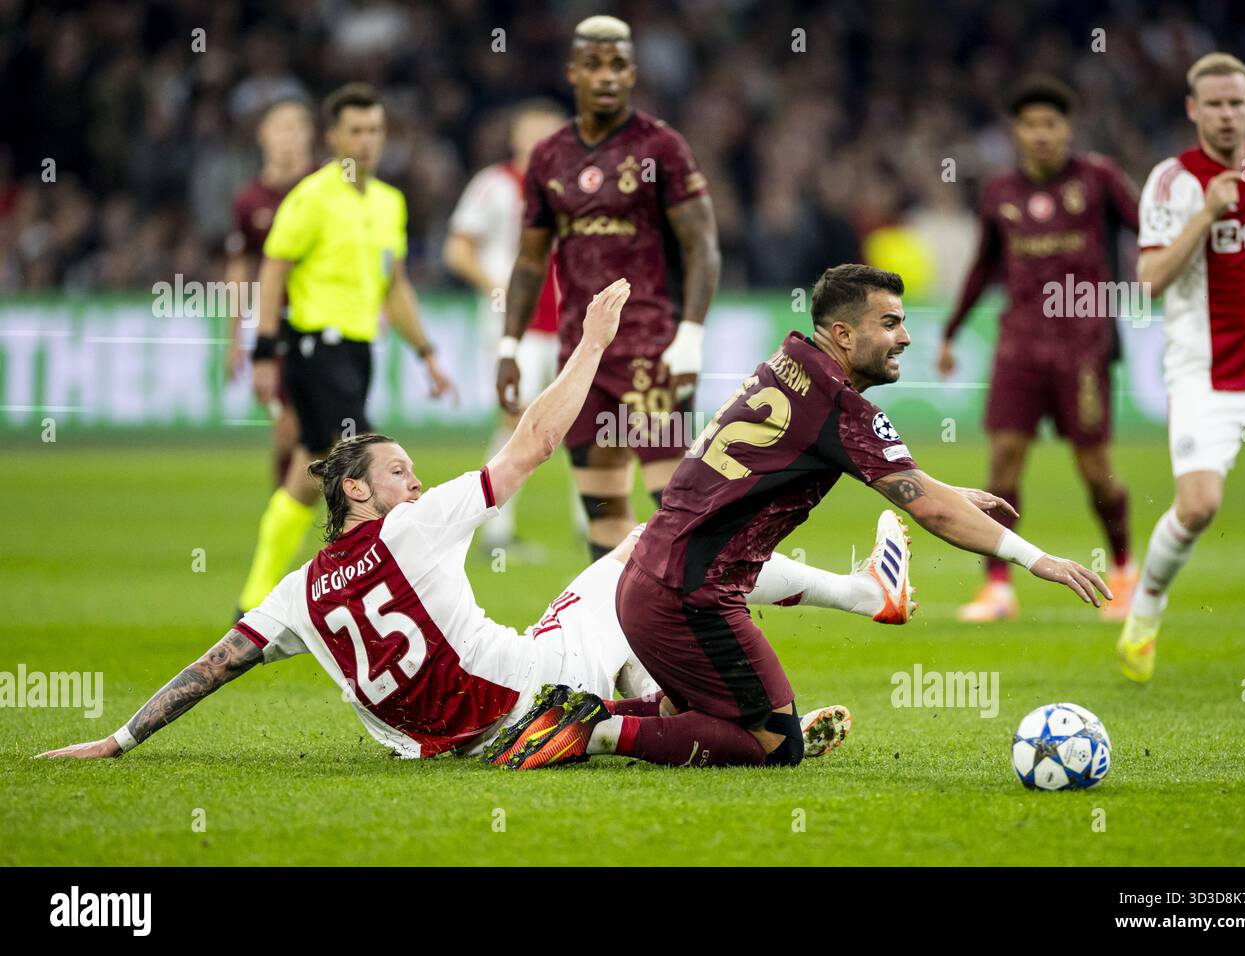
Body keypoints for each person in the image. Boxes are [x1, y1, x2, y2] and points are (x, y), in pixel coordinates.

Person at [37, 280, 893, 764]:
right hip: (533, 690)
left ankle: (642, 710)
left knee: (626, 619)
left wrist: (119, 738)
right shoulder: (411, 529)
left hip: (452, 743)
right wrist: (591, 344)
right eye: (400, 472)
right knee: (658, 551)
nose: (417, 483)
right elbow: (535, 441)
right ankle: (861, 599)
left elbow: (214, 665)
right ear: (361, 498)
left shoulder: (297, 595)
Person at [488, 264, 1110, 771]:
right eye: (890, 323)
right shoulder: (840, 407)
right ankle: (600, 733)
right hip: (690, 598)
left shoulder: (790, 363)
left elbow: (905, 483)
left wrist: (936, 490)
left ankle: (579, 712)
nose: (906, 337)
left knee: (717, 716)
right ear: (842, 334)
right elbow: (933, 512)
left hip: (650, 579)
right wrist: (1038, 559)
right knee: (775, 744)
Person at [496, 15, 720, 561]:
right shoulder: (549, 157)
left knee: (679, 512)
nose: (606, 77)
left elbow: (702, 247)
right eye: (593, 65)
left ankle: (694, 634)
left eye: (617, 65)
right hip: (582, 358)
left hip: (652, 350)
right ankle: (615, 644)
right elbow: (529, 262)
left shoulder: (661, 147)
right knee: (603, 516)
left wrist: (689, 335)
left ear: (633, 73)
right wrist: (510, 346)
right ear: (573, 72)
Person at [235, 82, 455, 616]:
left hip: (358, 352)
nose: (366, 140)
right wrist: (264, 350)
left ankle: (254, 599)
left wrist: (425, 351)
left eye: (374, 129)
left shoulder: (388, 203)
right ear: (333, 136)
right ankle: (371, 595)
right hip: (315, 350)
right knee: (373, 463)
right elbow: (272, 269)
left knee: (308, 469)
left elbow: (394, 286)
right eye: (355, 130)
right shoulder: (311, 197)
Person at [1118, 52, 1245, 682]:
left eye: (1236, 103)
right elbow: (1148, 281)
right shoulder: (1173, 182)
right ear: (1194, 110)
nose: (1226, 114)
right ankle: (1144, 613)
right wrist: (1206, 216)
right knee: (1198, 507)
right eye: (1213, 104)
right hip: (1206, 376)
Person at [939, 75, 1140, 623]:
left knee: (1095, 469)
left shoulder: (1099, 179)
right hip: (1019, 345)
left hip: (1083, 348)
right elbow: (983, 265)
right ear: (1016, 132)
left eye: (1051, 123)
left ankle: (1123, 571)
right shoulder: (1000, 191)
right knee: (1002, 463)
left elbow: (1149, 229)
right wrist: (952, 332)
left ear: (1067, 129)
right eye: (1030, 124)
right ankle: (998, 587)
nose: (1041, 133)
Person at [444, 99, 570, 556]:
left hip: (565, 322)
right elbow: (456, 250)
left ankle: (592, 525)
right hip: (513, 323)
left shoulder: (573, 189)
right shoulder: (494, 185)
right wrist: (498, 286)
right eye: (532, 130)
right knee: (515, 418)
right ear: (515, 137)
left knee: (573, 417)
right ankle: (496, 531)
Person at [223, 98, 314, 487]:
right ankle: (287, 508)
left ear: (310, 136)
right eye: (281, 128)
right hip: (274, 326)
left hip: (325, 320)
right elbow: (240, 269)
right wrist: (235, 339)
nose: (289, 138)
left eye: (297, 128)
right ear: (263, 136)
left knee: (332, 434)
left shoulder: (324, 190)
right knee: (289, 427)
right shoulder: (249, 201)